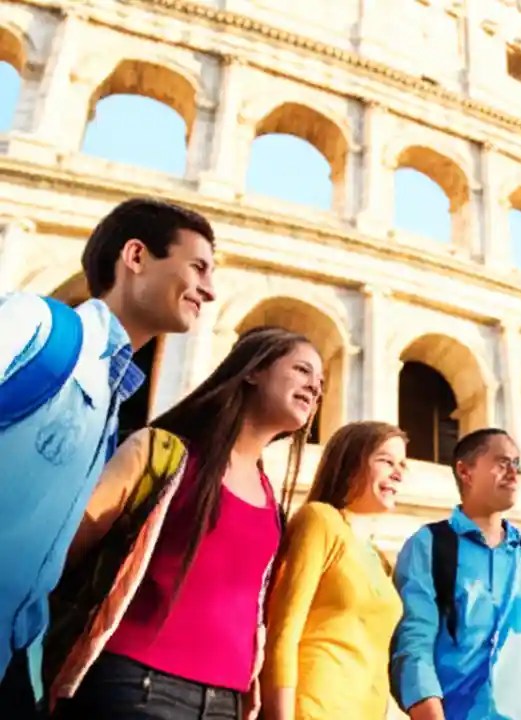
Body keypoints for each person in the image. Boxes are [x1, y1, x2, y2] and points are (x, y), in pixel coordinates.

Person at [0, 197, 215, 715]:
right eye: (198, 267)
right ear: (136, 256)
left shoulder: (112, 406)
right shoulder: (34, 325)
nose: (209, 290)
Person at [42, 326, 321, 720]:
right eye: (302, 370)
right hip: (135, 687)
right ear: (253, 371)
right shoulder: (159, 452)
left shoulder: (271, 499)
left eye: (321, 381)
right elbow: (64, 552)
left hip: (228, 703)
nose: (315, 388)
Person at [391, 428, 521, 720]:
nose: (514, 473)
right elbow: (414, 644)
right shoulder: (430, 544)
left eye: (518, 465)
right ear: (465, 471)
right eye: (502, 463)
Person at [263, 421, 409, 719]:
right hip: (314, 707)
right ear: (350, 462)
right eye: (385, 460)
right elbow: (282, 632)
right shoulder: (320, 520)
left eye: (402, 464)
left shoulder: (379, 560)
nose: (398, 473)